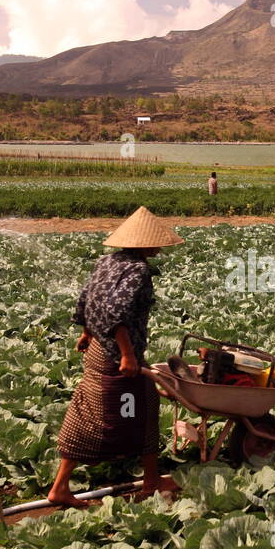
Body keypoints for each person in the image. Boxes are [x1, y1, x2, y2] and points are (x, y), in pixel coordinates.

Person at [48, 206, 183, 507]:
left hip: (98, 350)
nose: (160, 245)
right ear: (144, 244)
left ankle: (149, 479)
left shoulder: (107, 260)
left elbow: (87, 298)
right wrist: (127, 355)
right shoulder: (138, 271)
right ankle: (146, 481)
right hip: (116, 355)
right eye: (156, 241)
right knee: (127, 414)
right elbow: (115, 312)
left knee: (99, 412)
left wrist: (85, 333)